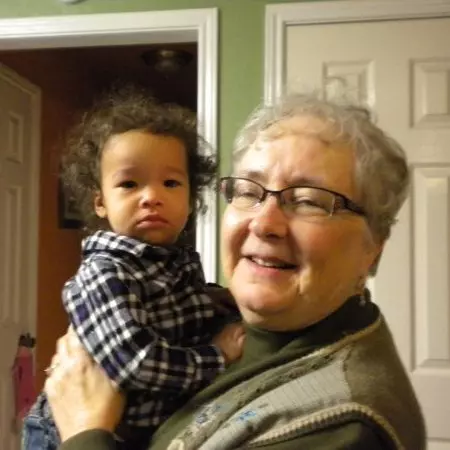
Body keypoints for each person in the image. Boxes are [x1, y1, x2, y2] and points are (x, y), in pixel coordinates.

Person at [44, 92, 426, 449]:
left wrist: (84, 431)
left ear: (371, 250)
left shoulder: (339, 427)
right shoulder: (229, 323)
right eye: (248, 192)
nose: (264, 223)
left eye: (309, 201)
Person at [22, 86, 244, 450]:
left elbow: (176, 309)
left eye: (170, 182)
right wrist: (217, 355)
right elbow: (137, 362)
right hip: (63, 433)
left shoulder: (171, 262)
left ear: (190, 199)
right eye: (129, 183)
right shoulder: (105, 273)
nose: (151, 196)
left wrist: (220, 299)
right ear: (100, 203)